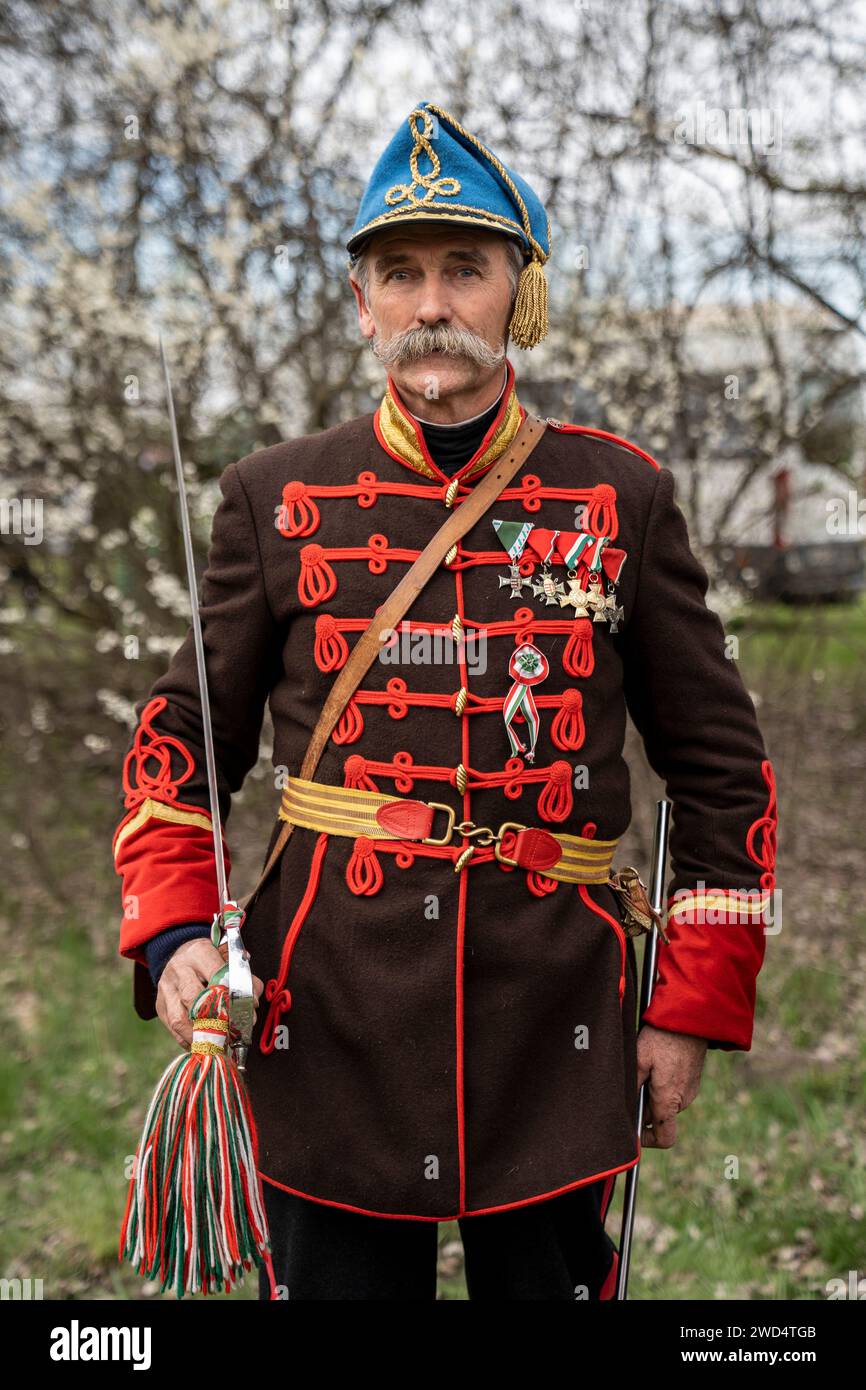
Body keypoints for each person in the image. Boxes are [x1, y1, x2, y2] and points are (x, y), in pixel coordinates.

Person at [113, 100, 778, 1300]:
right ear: (362, 303)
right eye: (399, 274)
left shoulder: (621, 494)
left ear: (514, 294)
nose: (430, 305)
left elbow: (724, 771)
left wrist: (688, 1005)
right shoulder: (271, 496)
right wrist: (168, 931)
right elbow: (180, 743)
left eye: (462, 271)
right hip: (329, 1010)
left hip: (554, 1020)